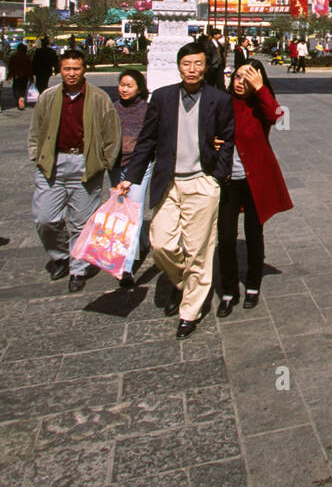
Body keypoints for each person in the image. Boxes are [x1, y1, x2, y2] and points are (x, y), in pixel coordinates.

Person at [117, 43, 234, 337]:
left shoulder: (219, 99)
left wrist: (216, 176)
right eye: (186, 64)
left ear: (206, 66)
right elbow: (147, 140)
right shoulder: (163, 97)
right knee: (161, 243)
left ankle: (189, 310)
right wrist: (130, 177)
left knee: (198, 249)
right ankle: (184, 282)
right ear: (179, 66)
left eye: (197, 64)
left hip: (201, 181)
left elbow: (228, 140)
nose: (192, 69)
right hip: (168, 181)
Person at [29, 47, 121, 291]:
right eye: (67, 69)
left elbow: (112, 134)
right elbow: (36, 130)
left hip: (84, 164)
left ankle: (78, 268)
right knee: (45, 218)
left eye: (76, 69)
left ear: (84, 70)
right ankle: (60, 255)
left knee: (82, 221)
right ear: (59, 70)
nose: (71, 73)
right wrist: (35, 156)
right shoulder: (48, 97)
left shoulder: (98, 98)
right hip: (52, 164)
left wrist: (103, 163)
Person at [217, 59, 292, 316]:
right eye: (238, 77)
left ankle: (252, 285)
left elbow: (278, 117)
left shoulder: (260, 104)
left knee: (253, 233)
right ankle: (228, 291)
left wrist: (260, 89)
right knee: (225, 238)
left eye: (247, 78)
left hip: (254, 179)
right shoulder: (223, 102)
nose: (240, 83)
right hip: (228, 180)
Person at [109, 67, 152, 288]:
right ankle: (143, 241)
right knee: (120, 211)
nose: (124, 89)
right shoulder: (112, 108)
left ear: (139, 88)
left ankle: (125, 267)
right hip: (117, 167)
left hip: (140, 167)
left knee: (133, 213)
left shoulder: (147, 109)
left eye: (129, 85)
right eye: (122, 85)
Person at [9, 41, 33, 110]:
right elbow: (30, 68)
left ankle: (19, 98)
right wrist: (31, 78)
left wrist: (9, 76)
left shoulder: (14, 57)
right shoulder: (27, 58)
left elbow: (11, 67)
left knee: (16, 88)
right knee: (23, 88)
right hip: (25, 75)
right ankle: (22, 97)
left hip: (16, 75)